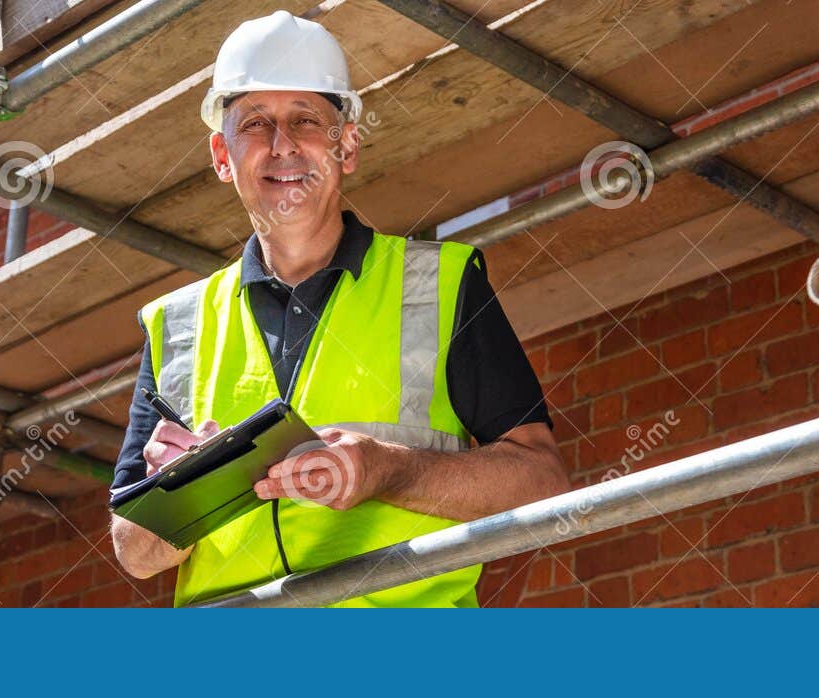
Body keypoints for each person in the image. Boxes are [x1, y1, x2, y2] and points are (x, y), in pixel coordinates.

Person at [109, 11, 567, 607]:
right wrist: (185, 488)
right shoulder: (179, 324)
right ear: (222, 155)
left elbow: (542, 486)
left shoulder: (439, 282)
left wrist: (389, 470)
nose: (282, 145)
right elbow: (134, 553)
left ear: (346, 144)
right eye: (256, 123)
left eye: (305, 120)